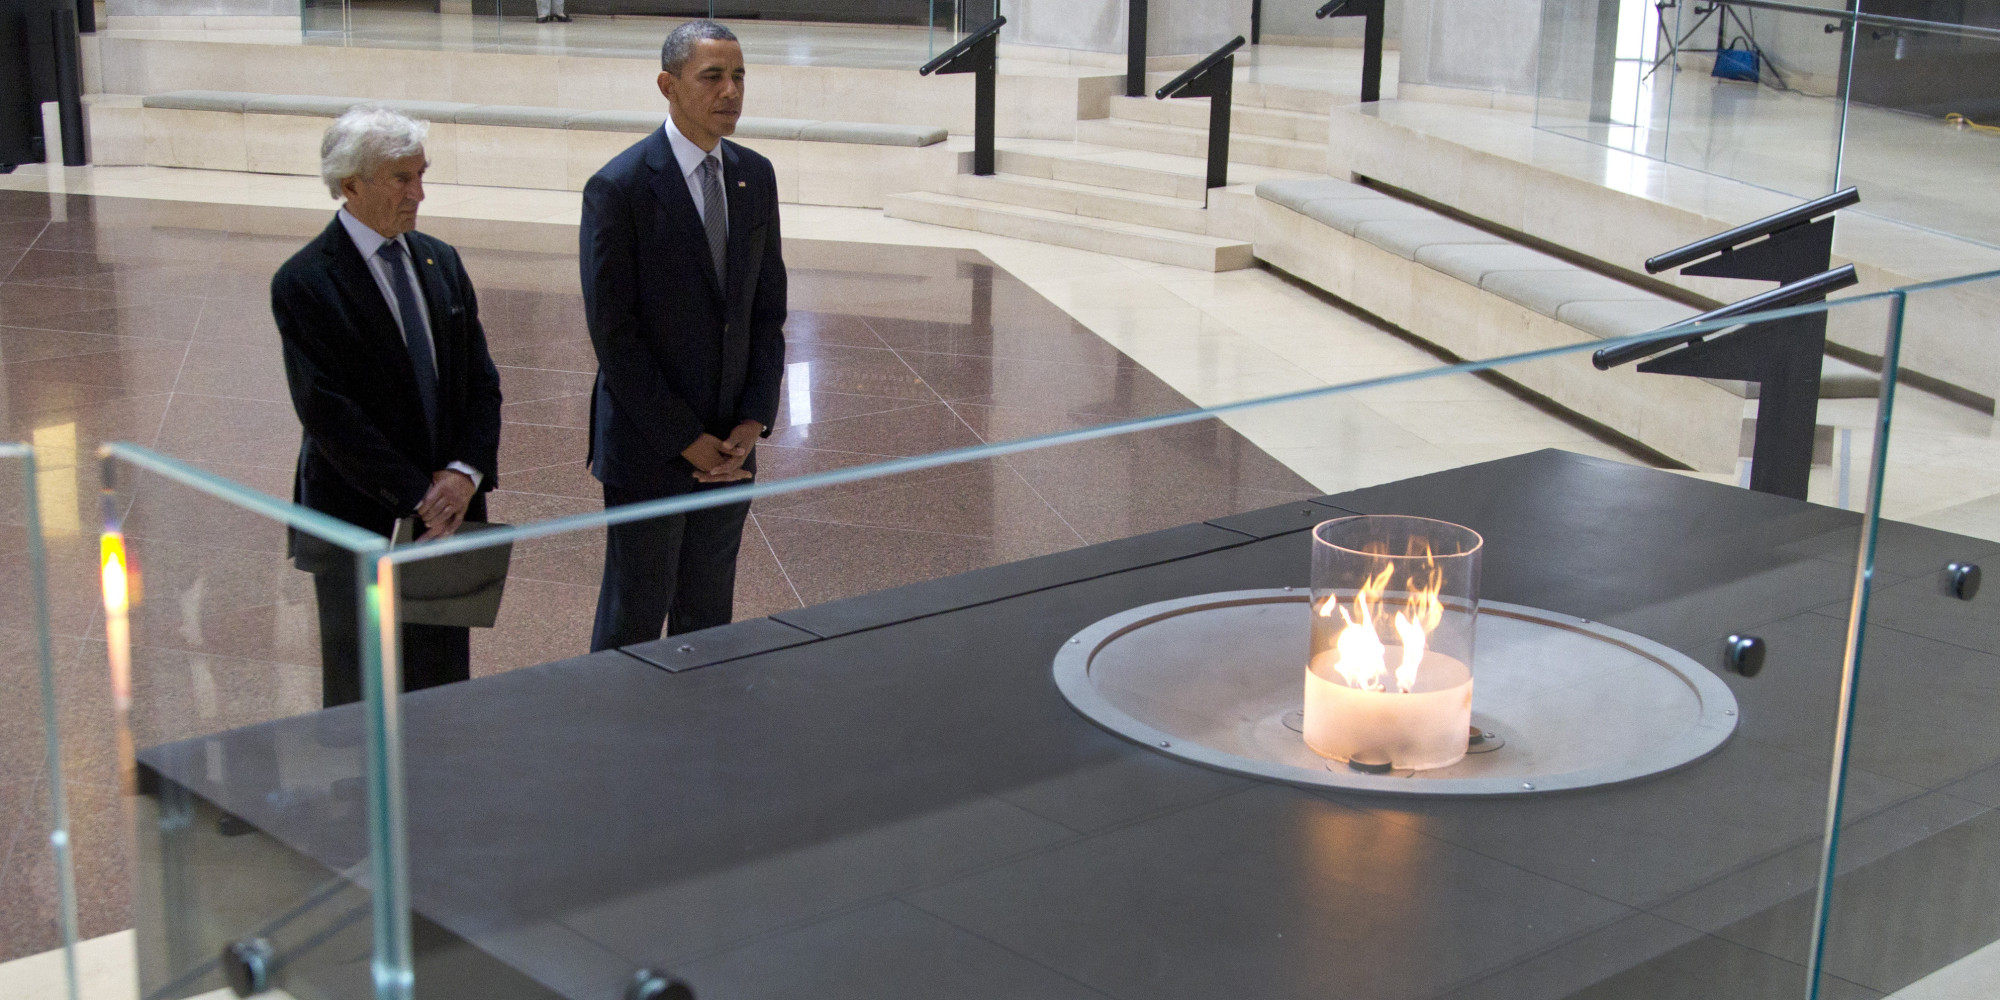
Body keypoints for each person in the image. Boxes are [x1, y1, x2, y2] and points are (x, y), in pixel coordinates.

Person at [272, 106, 505, 707]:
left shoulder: (441, 262)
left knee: (441, 682)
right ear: (350, 184)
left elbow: (480, 381)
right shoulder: (304, 281)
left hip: (447, 515)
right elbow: (328, 414)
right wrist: (419, 496)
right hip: (360, 516)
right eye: (402, 179)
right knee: (364, 688)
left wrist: (462, 475)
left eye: (421, 174)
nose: (418, 194)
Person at [580, 19, 787, 652]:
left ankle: (698, 734)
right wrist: (683, 439)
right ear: (669, 85)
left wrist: (752, 419)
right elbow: (615, 337)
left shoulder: (755, 176)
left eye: (739, 75)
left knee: (707, 611)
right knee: (634, 618)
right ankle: (622, 740)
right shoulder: (619, 188)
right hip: (651, 446)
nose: (731, 91)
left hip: (730, 442)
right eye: (713, 77)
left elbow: (766, 311)